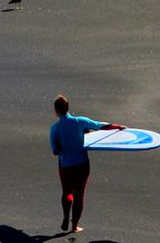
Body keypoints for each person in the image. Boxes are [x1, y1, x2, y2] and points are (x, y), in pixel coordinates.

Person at [48, 95, 124, 233]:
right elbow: (101, 126)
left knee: (67, 191)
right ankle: (74, 226)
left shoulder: (54, 128)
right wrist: (119, 127)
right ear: (68, 107)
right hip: (82, 164)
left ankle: (66, 215)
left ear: (56, 110)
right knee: (79, 195)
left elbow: (55, 151)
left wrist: (61, 145)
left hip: (65, 165)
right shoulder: (80, 121)